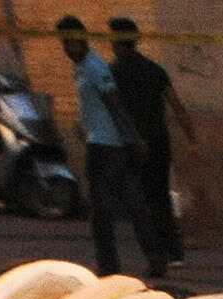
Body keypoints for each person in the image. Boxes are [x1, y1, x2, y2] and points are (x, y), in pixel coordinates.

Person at [104, 19, 192, 276]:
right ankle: (174, 251)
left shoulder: (113, 72)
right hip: (159, 140)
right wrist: (192, 138)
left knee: (139, 199)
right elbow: (176, 104)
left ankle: (157, 253)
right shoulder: (154, 69)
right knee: (160, 196)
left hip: (132, 142)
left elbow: (113, 109)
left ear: (116, 40)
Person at [57, 17, 140, 280]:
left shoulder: (95, 66)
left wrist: (134, 138)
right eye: (64, 43)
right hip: (96, 140)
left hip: (109, 145)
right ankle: (146, 257)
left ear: (83, 38)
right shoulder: (78, 68)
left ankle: (109, 264)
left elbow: (114, 105)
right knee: (124, 201)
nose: (69, 48)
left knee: (103, 206)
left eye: (72, 41)